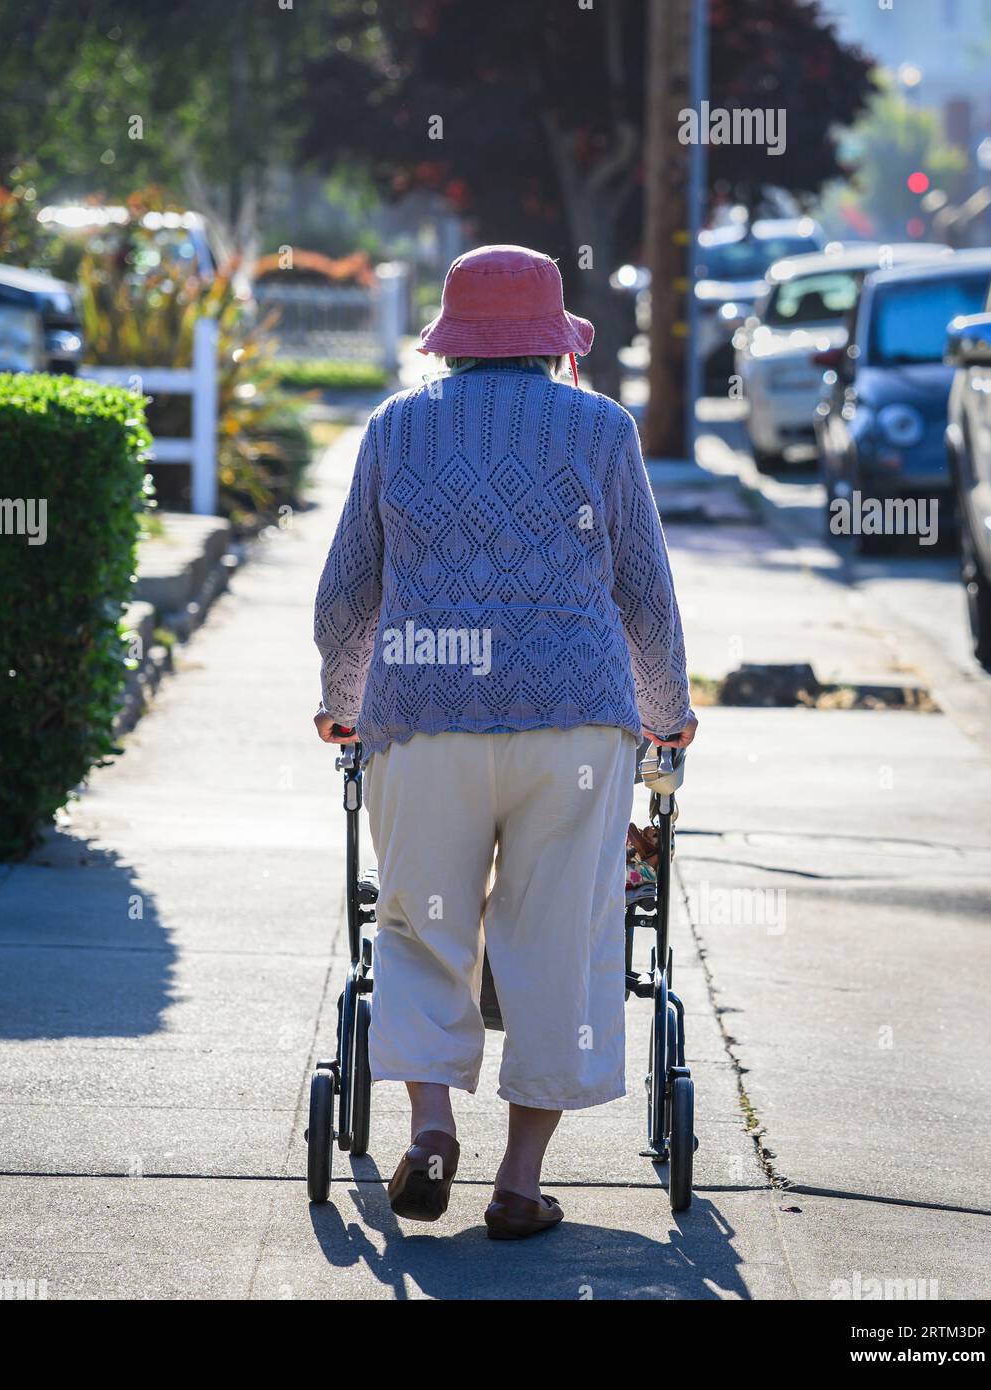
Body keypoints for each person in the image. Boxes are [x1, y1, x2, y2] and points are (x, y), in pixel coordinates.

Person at [314, 244, 697, 1240]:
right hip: (572, 724)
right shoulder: (602, 427)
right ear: (550, 341)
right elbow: (645, 596)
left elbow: (347, 594)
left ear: (450, 342)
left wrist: (341, 698)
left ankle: (433, 1127)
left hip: (424, 715)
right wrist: (667, 712)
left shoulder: (398, 427)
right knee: (558, 941)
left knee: (417, 923)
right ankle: (520, 1182)